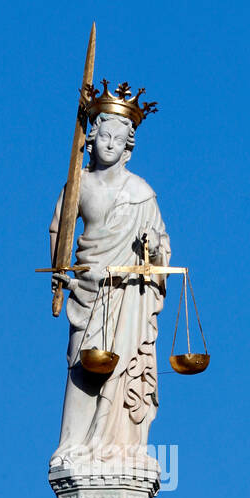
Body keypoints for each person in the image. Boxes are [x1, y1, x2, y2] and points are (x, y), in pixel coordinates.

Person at [50, 103, 170, 458]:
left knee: (124, 365)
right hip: (88, 289)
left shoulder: (141, 194)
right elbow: (59, 228)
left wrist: (154, 250)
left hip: (129, 293)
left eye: (118, 139)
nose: (109, 144)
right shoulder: (79, 185)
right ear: (92, 138)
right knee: (81, 362)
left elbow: (161, 246)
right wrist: (59, 269)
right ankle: (72, 444)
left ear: (128, 147)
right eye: (104, 135)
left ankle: (118, 446)